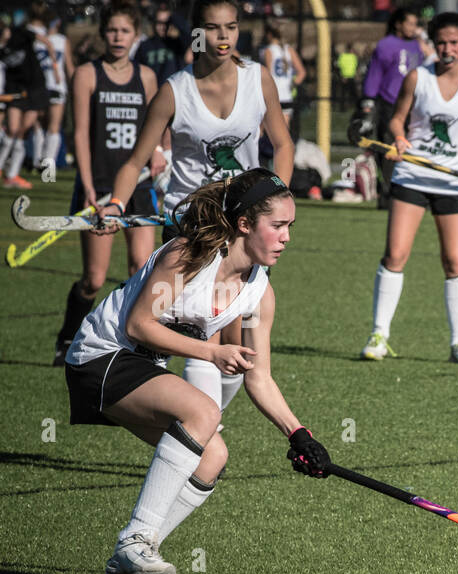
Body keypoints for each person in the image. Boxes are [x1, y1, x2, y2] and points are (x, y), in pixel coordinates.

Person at [63, 168, 331, 574]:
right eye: (277, 226)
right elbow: (139, 326)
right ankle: (136, 540)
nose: (286, 238)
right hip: (101, 355)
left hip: (141, 367)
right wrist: (212, 351)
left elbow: (259, 377)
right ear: (244, 224)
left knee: (213, 457)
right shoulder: (190, 256)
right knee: (203, 410)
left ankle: (127, 568)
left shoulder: (258, 293)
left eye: (289, 227)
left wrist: (298, 434)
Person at [360, 11, 458, 365]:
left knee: (454, 260)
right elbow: (396, 118)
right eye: (441, 43)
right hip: (412, 177)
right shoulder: (418, 78)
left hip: (452, 181)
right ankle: (379, 335)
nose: (448, 49)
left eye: (454, 42)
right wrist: (399, 137)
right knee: (396, 255)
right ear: (433, 44)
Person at [107, 0, 294, 238]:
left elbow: (283, 144)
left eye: (231, 26)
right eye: (212, 27)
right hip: (188, 224)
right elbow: (135, 163)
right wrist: (116, 204)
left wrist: (277, 195)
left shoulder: (259, 79)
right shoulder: (173, 91)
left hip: (243, 225)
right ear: (196, 32)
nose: (223, 35)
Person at [53, 1, 166, 367]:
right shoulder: (87, 74)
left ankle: (134, 345)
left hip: (140, 185)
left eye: (125, 31)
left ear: (136, 35)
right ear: (103, 33)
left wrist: (160, 150)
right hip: (99, 184)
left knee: (141, 267)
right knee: (94, 278)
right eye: (112, 31)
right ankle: (69, 337)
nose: (118, 38)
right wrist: (86, 184)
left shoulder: (147, 77)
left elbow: (156, 126)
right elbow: (81, 133)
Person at [355, 6, 424, 209]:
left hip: (413, 105)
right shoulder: (385, 45)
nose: (413, 27)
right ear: (398, 24)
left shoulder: (417, 47)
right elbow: (375, 74)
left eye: (415, 23)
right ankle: (388, 193)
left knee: (413, 150)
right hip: (389, 105)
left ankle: (412, 193)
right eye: (409, 23)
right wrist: (368, 101)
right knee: (389, 149)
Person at [0, 16, 49, 188]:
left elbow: (45, 41)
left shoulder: (20, 33)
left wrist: (55, 66)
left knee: (24, 129)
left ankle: (12, 175)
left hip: (35, 87)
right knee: (12, 128)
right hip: (15, 89)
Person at [27, 4, 69, 177]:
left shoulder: (61, 40)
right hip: (39, 85)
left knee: (53, 126)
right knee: (38, 124)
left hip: (56, 86)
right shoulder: (37, 39)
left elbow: (69, 65)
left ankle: (47, 169)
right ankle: (38, 162)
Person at [262, 23, 305, 140]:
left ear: (269, 35)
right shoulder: (289, 50)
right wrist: (292, 85)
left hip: (273, 96)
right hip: (287, 96)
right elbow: (301, 73)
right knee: (284, 134)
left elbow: (267, 74)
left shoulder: (268, 50)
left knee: (265, 131)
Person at [134, 2, 190, 85]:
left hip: (174, 91)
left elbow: (188, 32)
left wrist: (172, 16)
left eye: (166, 23)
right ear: (154, 23)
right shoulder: (145, 45)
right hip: (151, 92)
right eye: (159, 23)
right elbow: (136, 69)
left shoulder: (177, 43)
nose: (163, 27)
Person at [336, 42, 359, 109]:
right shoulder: (344, 56)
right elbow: (340, 66)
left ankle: (354, 106)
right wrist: (342, 76)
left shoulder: (352, 57)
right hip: (345, 77)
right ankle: (342, 107)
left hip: (350, 77)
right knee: (344, 94)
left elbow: (355, 66)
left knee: (352, 93)